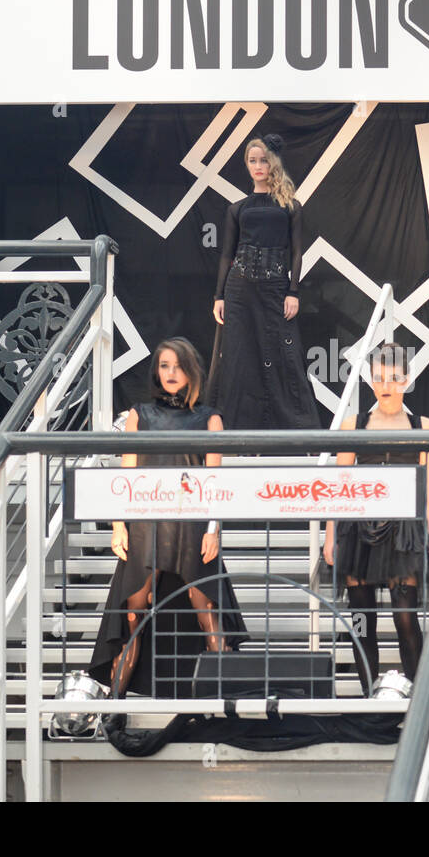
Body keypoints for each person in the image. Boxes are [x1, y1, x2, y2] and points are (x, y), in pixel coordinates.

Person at [87, 338, 246, 698]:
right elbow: (126, 475)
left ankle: (221, 704)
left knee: (207, 611)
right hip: (146, 524)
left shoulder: (210, 418)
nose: (171, 373)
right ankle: (115, 708)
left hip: (192, 525)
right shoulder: (138, 415)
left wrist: (213, 529)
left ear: (191, 370)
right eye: (164, 366)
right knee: (132, 617)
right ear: (156, 372)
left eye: (177, 366)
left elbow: (214, 482)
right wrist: (117, 526)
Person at [324, 343, 429, 695]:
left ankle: (419, 700)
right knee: (362, 622)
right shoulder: (353, 425)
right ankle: (368, 699)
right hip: (359, 530)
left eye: (393, 376)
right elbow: (340, 485)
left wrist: (428, 538)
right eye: (378, 377)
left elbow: (428, 488)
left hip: (405, 532)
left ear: (407, 378)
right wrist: (331, 538)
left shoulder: (425, 426)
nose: (386, 384)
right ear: (369, 379)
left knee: (405, 616)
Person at [209, 134, 320, 430]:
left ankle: (295, 436)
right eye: (252, 161)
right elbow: (226, 256)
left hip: (275, 290)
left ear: (273, 163)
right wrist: (219, 296)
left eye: (263, 160)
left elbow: (297, 252)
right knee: (237, 357)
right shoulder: (237, 209)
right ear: (246, 164)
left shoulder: (291, 206)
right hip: (239, 290)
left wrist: (293, 290)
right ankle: (234, 433)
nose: (258, 166)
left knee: (286, 356)